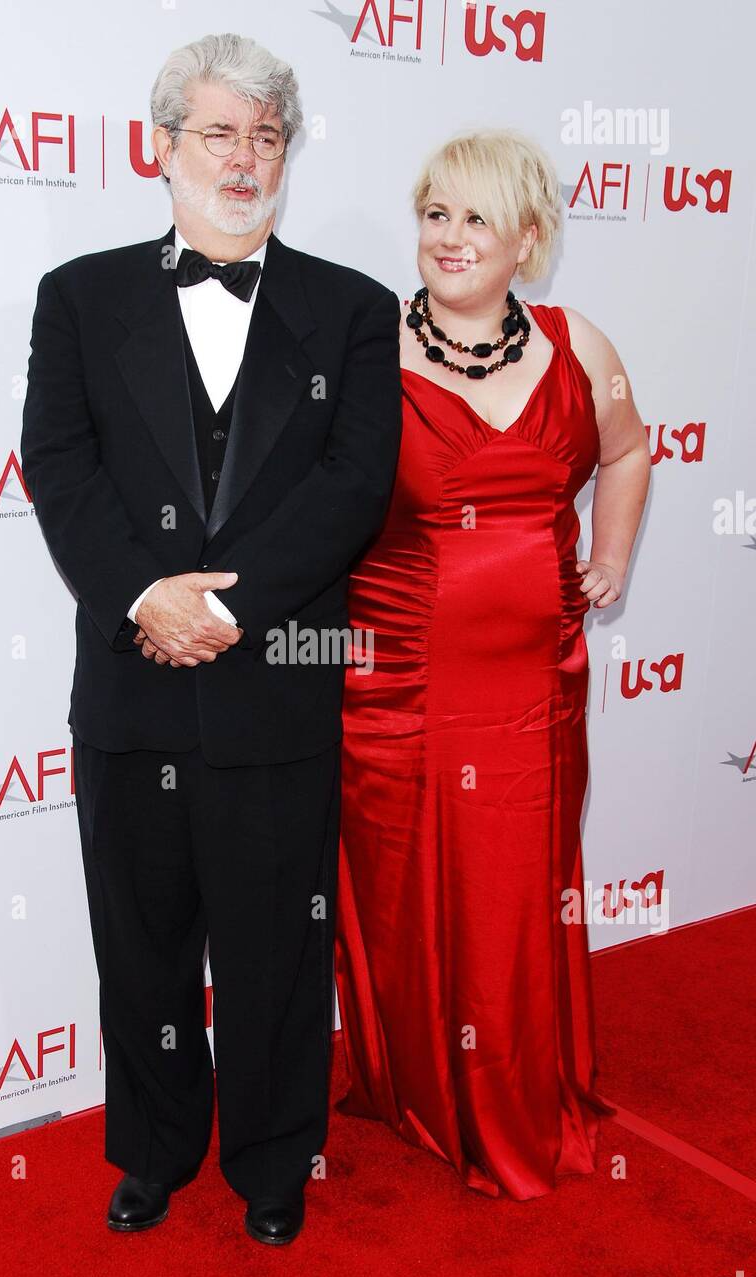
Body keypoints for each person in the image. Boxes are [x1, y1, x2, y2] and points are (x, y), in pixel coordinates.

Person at [20, 32, 401, 1244]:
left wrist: (227, 608)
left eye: (266, 135)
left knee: (275, 954)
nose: (244, 159)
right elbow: (63, 471)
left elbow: (353, 487)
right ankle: (153, 1148)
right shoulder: (78, 297)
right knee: (139, 951)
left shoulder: (349, 307)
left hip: (275, 687)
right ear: (162, 145)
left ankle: (276, 1161)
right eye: (219, 132)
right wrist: (148, 597)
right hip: (131, 687)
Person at [334, 128, 651, 1200]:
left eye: (476, 218)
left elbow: (624, 449)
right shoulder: (365, 354)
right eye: (434, 215)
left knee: (517, 895)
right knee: (409, 896)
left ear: (528, 238)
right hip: (400, 691)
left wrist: (606, 555)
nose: (449, 238)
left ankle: (519, 1087)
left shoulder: (579, 345)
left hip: (534, 688)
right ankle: (422, 1084)